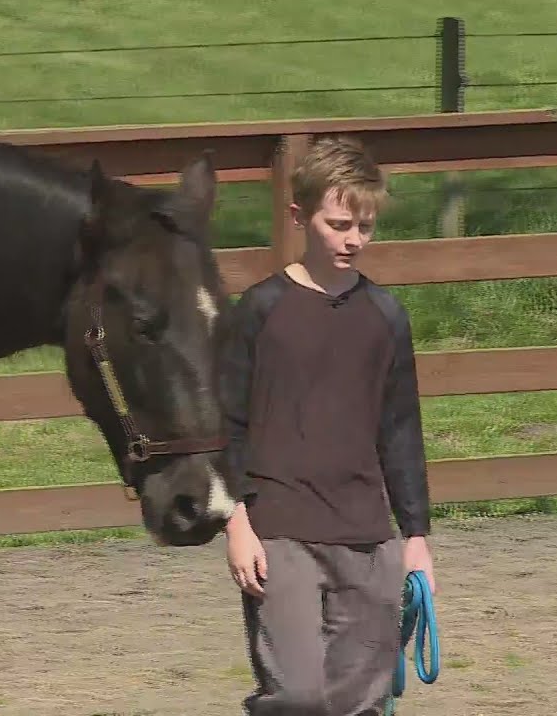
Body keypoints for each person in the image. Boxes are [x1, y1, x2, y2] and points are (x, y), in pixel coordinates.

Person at [216, 134, 435, 716]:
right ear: (299, 217)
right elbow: (225, 423)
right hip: (278, 531)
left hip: (366, 534)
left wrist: (415, 537)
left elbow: (401, 430)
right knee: (296, 696)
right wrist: (236, 523)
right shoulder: (260, 310)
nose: (353, 240)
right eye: (338, 225)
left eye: (365, 227)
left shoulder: (385, 316)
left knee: (361, 699)